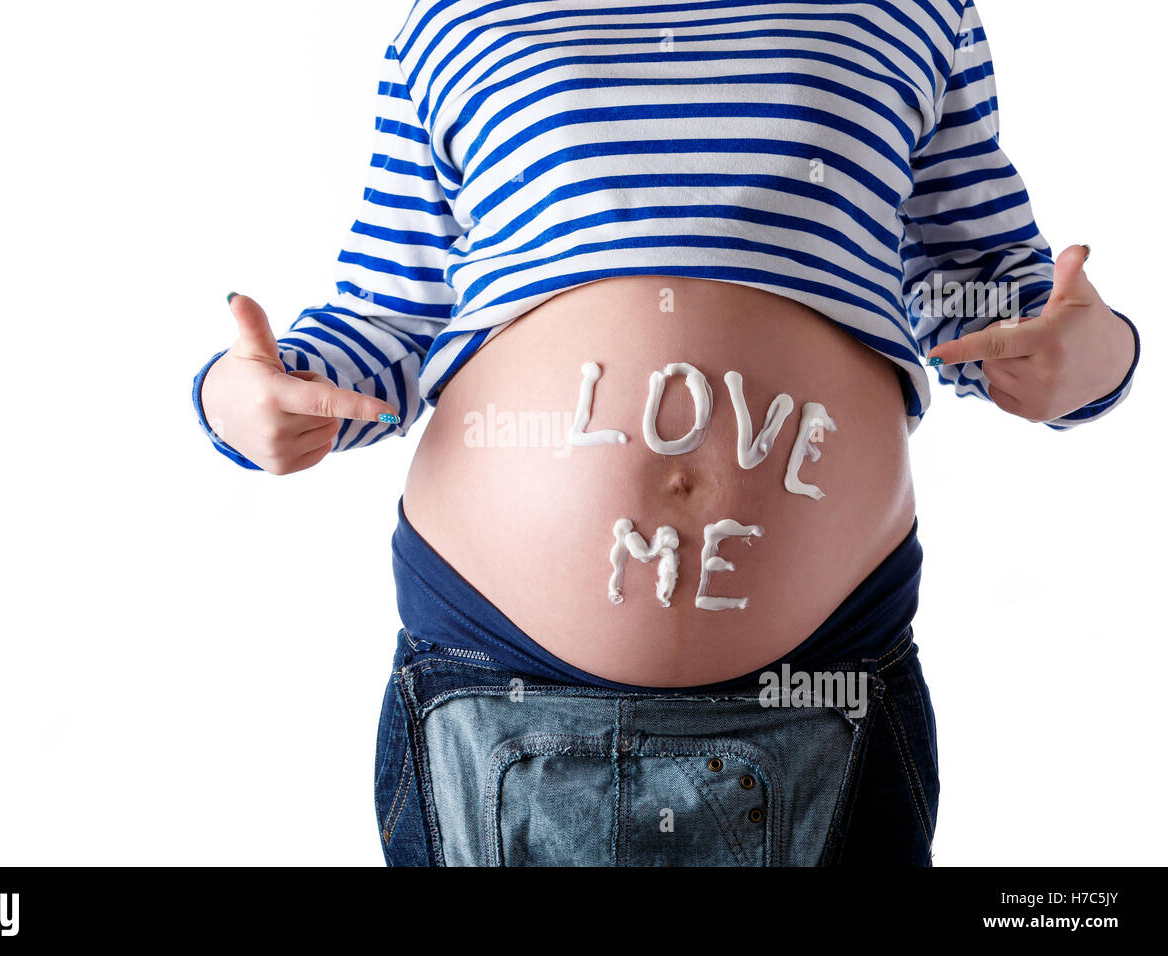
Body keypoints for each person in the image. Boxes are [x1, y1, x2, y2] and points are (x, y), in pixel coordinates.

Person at [192, 1, 1139, 866]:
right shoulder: (456, 14)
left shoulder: (916, 9)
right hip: (490, 677)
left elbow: (981, 292)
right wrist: (248, 398)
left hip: (826, 688)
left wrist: (1093, 357)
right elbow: (393, 313)